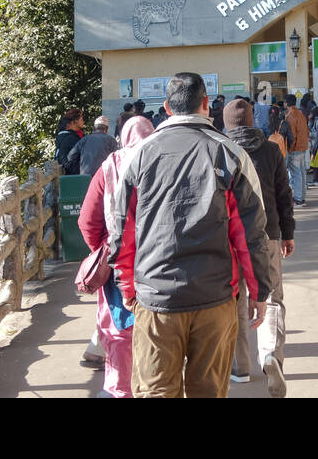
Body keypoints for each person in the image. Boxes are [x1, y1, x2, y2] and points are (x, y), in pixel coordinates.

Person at [105, 73, 271, 398]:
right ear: (206, 104)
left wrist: (127, 284)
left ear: (167, 107)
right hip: (216, 297)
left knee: (154, 392)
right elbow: (252, 235)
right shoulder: (232, 155)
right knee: (208, 392)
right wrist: (259, 291)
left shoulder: (137, 157)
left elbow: (120, 229)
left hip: (155, 297)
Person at [78, 115, 155, 397]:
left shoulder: (111, 166)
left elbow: (87, 220)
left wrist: (104, 248)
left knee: (120, 331)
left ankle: (120, 390)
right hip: (161, 262)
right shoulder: (166, 161)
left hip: (120, 262)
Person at [223, 98, 294, 398]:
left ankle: (240, 368)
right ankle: (270, 355)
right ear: (253, 120)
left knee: (236, 299)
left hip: (230, 236)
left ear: (226, 123)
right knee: (272, 296)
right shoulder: (270, 150)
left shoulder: (219, 149)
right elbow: (284, 193)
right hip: (268, 233)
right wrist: (287, 233)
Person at [283, 93, 310, 207]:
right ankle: (302, 197)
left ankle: (298, 199)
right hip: (303, 146)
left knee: (296, 173)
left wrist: (290, 148)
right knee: (302, 172)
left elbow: (292, 135)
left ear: (286, 103)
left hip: (295, 148)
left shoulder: (290, 116)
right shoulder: (300, 114)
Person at [55, 109, 84, 174]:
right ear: (74, 122)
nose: (83, 121)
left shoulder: (62, 136)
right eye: (81, 119)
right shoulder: (71, 138)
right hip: (72, 173)